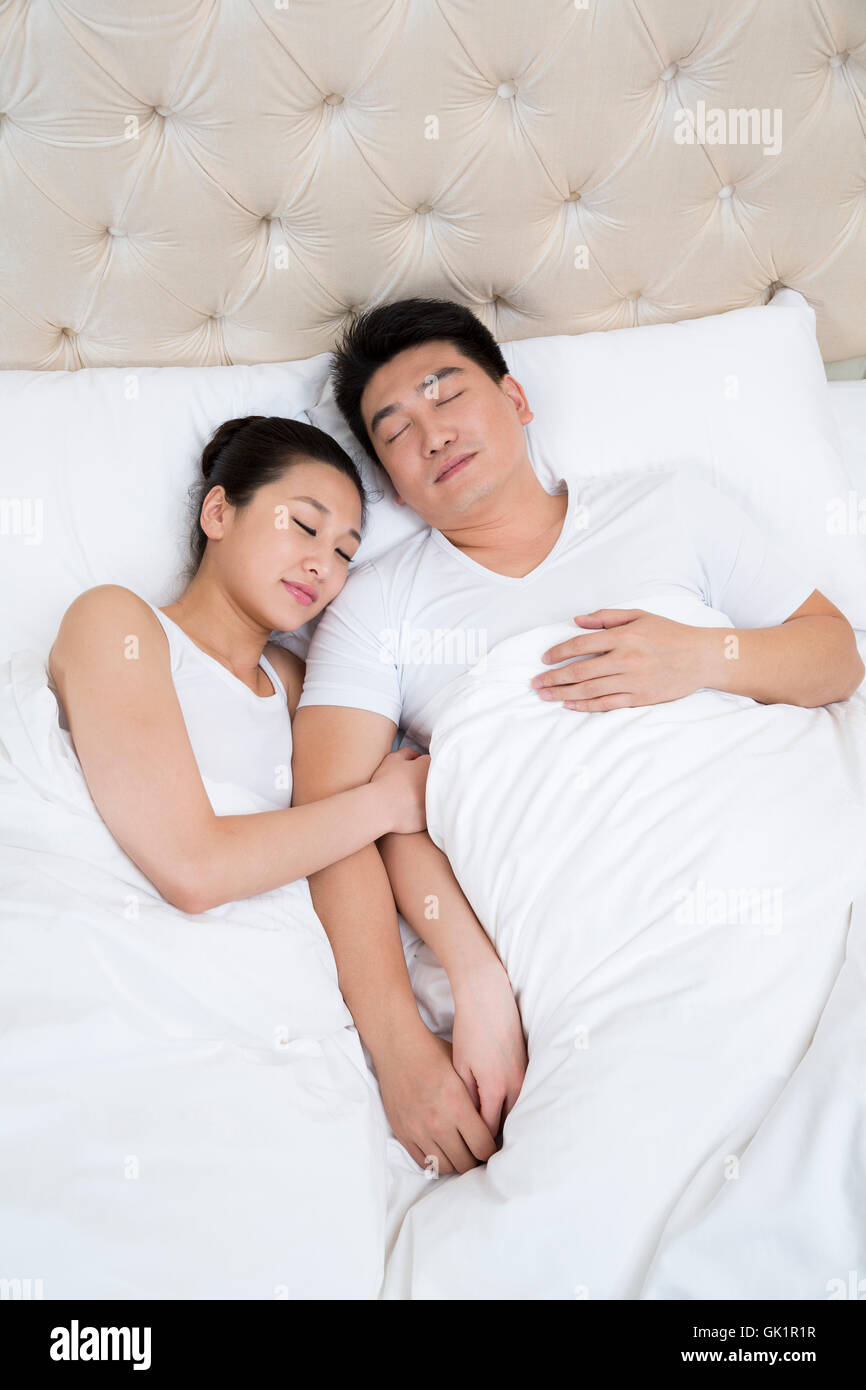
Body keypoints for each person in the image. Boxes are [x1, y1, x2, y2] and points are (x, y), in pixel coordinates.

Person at [290, 296, 865, 1178]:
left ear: (518, 399)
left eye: (447, 394)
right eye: (397, 430)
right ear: (394, 485)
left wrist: (699, 655)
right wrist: (422, 1029)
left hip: (794, 865)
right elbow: (333, 828)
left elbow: (835, 658)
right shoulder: (378, 609)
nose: (432, 434)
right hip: (605, 936)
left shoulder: (674, 504)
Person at [47, 415, 431, 916]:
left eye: (344, 553)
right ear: (218, 514)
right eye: (304, 526)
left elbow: (357, 852)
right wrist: (385, 804)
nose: (323, 565)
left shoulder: (297, 685)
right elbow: (193, 869)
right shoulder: (118, 625)